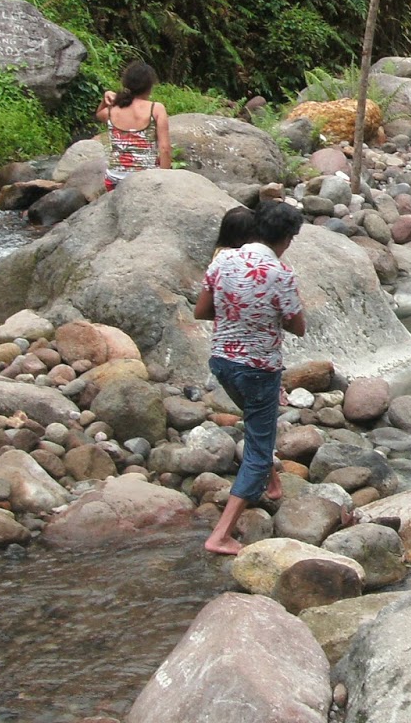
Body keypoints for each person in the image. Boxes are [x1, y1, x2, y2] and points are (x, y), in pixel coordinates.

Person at [195, 199, 307, 555]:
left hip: (222, 362)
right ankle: (221, 534)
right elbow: (298, 326)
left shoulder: (222, 260)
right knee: (258, 448)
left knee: (258, 426)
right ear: (287, 238)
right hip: (259, 369)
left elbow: (202, 310)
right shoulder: (281, 273)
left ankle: (272, 485)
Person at [95, 60, 171, 191]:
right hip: (144, 179)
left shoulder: (113, 109)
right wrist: (164, 180)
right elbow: (164, 149)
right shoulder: (156, 109)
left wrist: (105, 98)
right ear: (150, 86)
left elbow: (99, 114)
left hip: (114, 179)